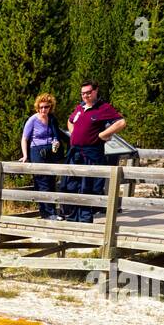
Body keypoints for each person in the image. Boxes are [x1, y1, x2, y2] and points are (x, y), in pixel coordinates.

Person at [64, 80, 126, 223]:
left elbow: (121, 122)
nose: (85, 96)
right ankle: (73, 217)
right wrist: (73, 133)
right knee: (72, 184)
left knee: (88, 185)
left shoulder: (103, 108)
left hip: (91, 152)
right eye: (83, 93)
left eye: (88, 93)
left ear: (95, 91)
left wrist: (103, 135)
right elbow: (70, 120)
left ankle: (85, 218)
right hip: (75, 152)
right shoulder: (80, 108)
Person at [21, 93, 63, 219]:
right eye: (41, 107)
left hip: (50, 152)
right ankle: (48, 213)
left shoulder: (52, 119)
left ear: (51, 107)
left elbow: (56, 135)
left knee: (51, 181)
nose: (43, 110)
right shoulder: (33, 120)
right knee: (42, 182)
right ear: (37, 107)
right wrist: (25, 155)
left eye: (46, 107)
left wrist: (56, 142)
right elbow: (24, 138)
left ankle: (50, 212)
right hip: (37, 152)